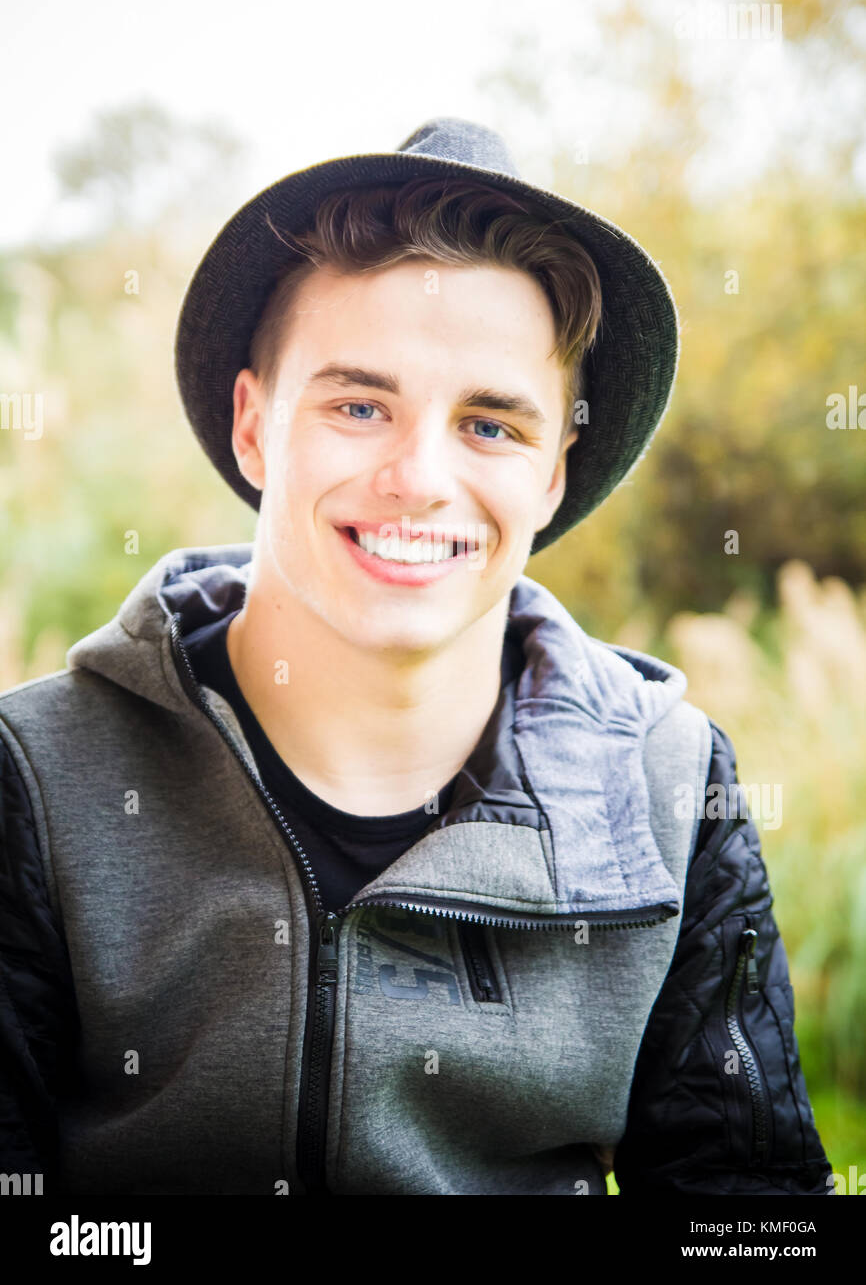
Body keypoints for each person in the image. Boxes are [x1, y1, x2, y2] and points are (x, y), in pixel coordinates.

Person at [0, 118, 833, 1196]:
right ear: (254, 425)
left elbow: (748, 1216)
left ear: (551, 472)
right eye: (359, 404)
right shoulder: (36, 773)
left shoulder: (669, 790)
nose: (419, 477)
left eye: (490, 426)